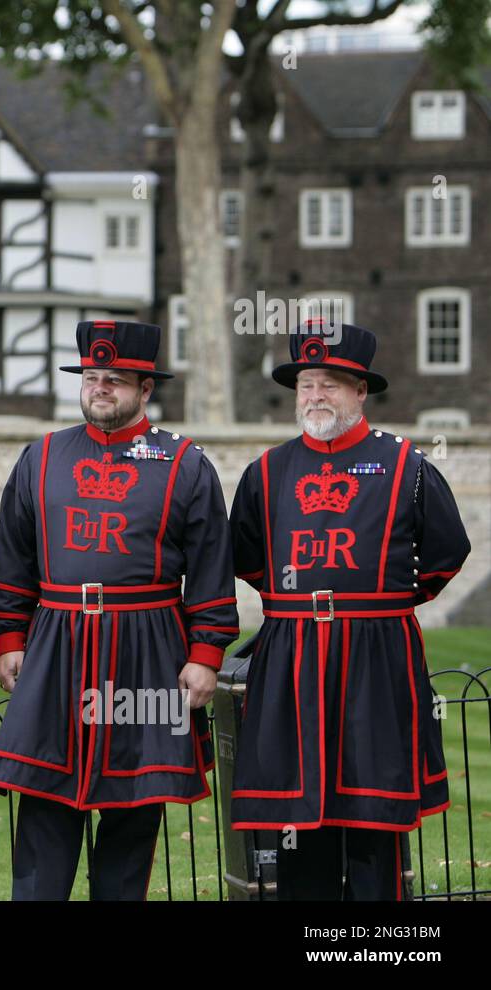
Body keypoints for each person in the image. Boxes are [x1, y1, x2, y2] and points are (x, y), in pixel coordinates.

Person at [0, 320, 239, 900]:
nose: (101, 387)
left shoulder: (184, 463)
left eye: (116, 380)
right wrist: (9, 638)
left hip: (146, 648)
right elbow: (14, 558)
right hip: (55, 646)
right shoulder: (42, 457)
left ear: (144, 388)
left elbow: (209, 567)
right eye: (92, 377)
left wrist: (205, 654)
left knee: (132, 810)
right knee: (45, 801)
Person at [229, 319, 470, 900]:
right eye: (307, 383)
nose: (316, 396)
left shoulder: (408, 465)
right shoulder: (265, 472)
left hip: (376, 652)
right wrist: (300, 606)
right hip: (290, 654)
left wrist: (377, 604)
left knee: (373, 817)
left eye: (331, 384)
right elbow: (246, 556)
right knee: (297, 816)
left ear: (361, 391)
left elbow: (446, 553)